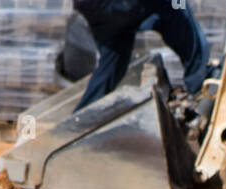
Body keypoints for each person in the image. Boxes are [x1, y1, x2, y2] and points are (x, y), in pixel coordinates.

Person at [73, 0, 209, 110]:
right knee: (178, 5)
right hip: (116, 5)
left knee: (112, 63)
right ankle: (201, 86)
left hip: (94, 9)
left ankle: (79, 121)